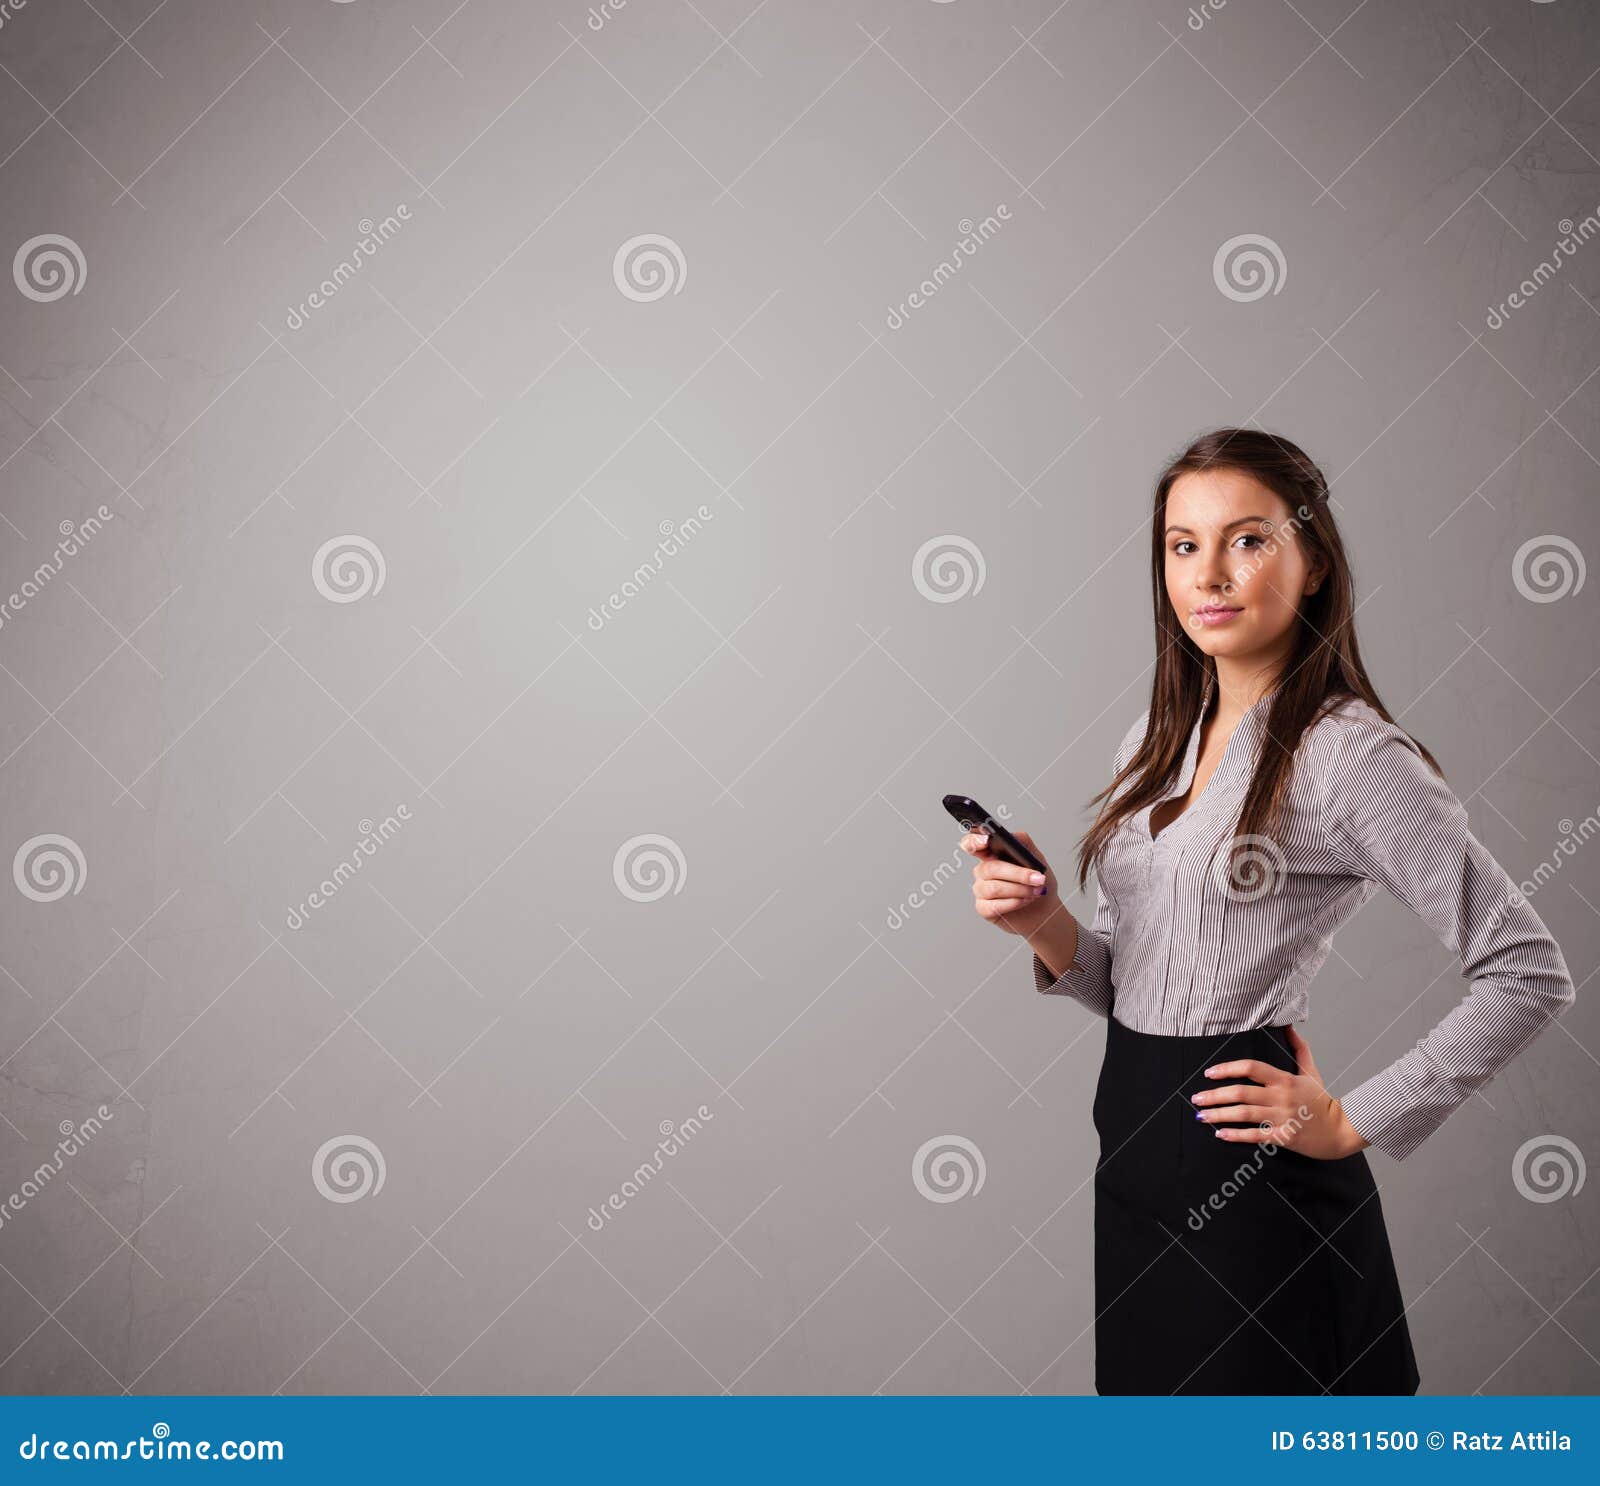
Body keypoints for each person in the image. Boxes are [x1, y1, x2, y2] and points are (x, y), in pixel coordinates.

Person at [962, 427, 1575, 1396]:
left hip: (1249, 1182)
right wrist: (1041, 922)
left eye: (1247, 540)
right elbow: (1136, 982)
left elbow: (1527, 970)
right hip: (1128, 1152)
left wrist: (1353, 1117)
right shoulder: (1155, 741)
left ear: (1314, 562)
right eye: (1182, 544)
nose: (1208, 573)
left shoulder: (1350, 756)